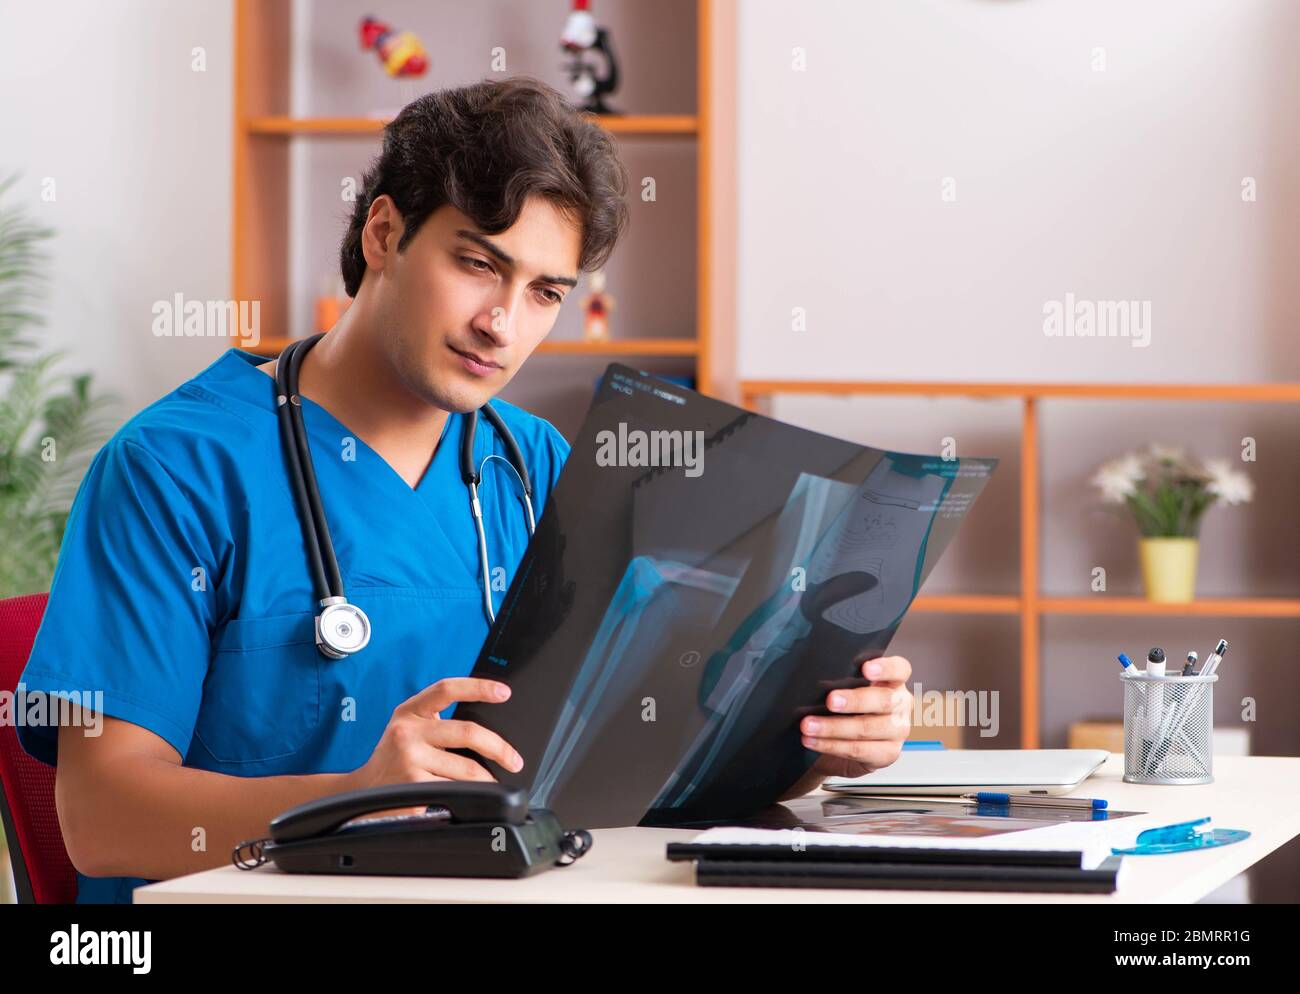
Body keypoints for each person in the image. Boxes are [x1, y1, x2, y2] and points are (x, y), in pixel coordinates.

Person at [17, 77, 912, 904]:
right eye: (479, 265)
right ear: (382, 236)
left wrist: (816, 746)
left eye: (544, 292)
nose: (502, 324)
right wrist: (351, 801)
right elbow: (98, 825)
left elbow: (627, 758)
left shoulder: (537, 465)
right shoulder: (176, 468)